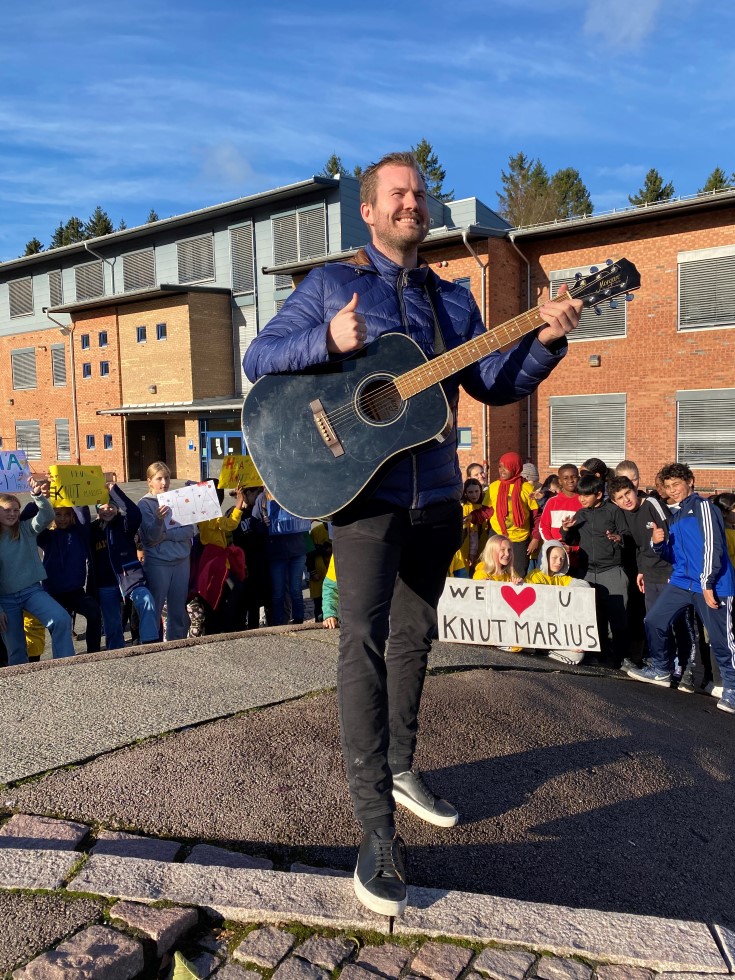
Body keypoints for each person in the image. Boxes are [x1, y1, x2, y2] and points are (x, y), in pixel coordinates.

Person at [243, 149, 582, 916]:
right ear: (368, 210)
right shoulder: (332, 284)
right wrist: (324, 343)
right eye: (397, 194)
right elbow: (258, 358)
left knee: (414, 634)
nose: (412, 203)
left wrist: (547, 340)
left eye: (420, 194)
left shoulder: (450, 301)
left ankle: (399, 763)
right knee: (360, 640)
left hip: (434, 500)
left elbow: (491, 383)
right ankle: (375, 830)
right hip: (361, 495)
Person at [626, 463, 735, 714]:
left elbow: (713, 546)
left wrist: (707, 583)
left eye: (677, 484)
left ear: (690, 482)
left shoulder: (703, 507)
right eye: (668, 486)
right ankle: (661, 669)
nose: (673, 490)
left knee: (720, 638)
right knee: (653, 620)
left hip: (714, 583)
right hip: (681, 581)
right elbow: (673, 556)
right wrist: (657, 545)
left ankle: (732, 686)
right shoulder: (675, 515)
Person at [608, 475, 696, 685]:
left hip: (670, 572)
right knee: (655, 622)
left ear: (634, 489)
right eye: (620, 498)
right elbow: (641, 547)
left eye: (628, 493)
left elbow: (670, 535)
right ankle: (662, 666)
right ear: (614, 502)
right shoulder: (625, 514)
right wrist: (641, 571)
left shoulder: (652, 504)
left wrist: (675, 572)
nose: (626, 499)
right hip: (650, 573)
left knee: (679, 623)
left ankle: (686, 672)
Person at [0, 482, 75, 664]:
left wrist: (38, 496)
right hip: (5, 599)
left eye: (16, 510)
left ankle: (64, 666)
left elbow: (47, 515)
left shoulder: (26, 529)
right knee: (16, 650)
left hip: (31, 592)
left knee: (60, 619)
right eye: (7, 510)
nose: (13, 514)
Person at [561, 474, 630, 667]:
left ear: (599, 494)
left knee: (618, 618)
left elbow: (627, 534)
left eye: (586, 495)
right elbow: (571, 540)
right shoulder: (581, 514)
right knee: (592, 616)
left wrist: (618, 538)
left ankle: (620, 658)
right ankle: (596, 655)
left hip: (611, 570)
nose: (581, 499)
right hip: (587, 571)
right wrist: (566, 530)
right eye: (579, 495)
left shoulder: (613, 511)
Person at [91, 484, 160, 648]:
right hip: (106, 583)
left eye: (111, 507)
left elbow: (135, 513)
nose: (107, 510)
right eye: (103, 507)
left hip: (131, 578)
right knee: (113, 625)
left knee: (146, 600)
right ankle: (117, 655)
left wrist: (114, 491)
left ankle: (150, 643)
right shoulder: (92, 529)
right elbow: (80, 519)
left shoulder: (124, 524)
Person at [138, 461, 196, 641]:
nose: (164, 483)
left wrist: (167, 534)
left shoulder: (177, 498)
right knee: (154, 608)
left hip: (181, 560)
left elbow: (189, 531)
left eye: (167, 478)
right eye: (159, 478)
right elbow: (151, 538)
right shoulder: (145, 504)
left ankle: (175, 644)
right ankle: (152, 646)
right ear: (150, 481)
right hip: (158, 563)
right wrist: (158, 522)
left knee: (177, 609)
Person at [37, 505, 102, 654]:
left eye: (66, 514)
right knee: (60, 625)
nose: (62, 518)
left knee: (94, 612)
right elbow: (29, 517)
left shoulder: (80, 533)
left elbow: (83, 516)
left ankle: (94, 653)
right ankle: (65, 657)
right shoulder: (47, 536)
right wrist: (40, 498)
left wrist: (73, 495)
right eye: (58, 514)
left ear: (72, 515)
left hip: (75, 591)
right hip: (53, 592)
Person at [527, 540, 591, 664]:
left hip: (556, 631)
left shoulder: (561, 578)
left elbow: (583, 586)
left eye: (562, 559)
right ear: (545, 557)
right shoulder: (534, 576)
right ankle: (545, 649)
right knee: (575, 657)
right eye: (554, 558)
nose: (558, 562)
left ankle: (552, 647)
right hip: (539, 629)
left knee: (579, 654)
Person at [485, 452, 541, 578]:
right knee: (492, 572)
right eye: (500, 466)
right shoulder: (493, 487)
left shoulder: (527, 488)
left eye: (507, 466)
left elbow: (536, 516)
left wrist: (536, 538)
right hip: (497, 536)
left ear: (515, 468)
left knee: (517, 576)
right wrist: (473, 516)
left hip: (519, 539)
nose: (502, 470)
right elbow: (487, 511)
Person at [449, 478, 491, 578]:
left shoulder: (485, 506)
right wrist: (471, 552)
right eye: (470, 492)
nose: (474, 495)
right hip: (466, 547)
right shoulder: (465, 507)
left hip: (484, 544)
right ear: (465, 493)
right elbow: (472, 533)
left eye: (476, 491)